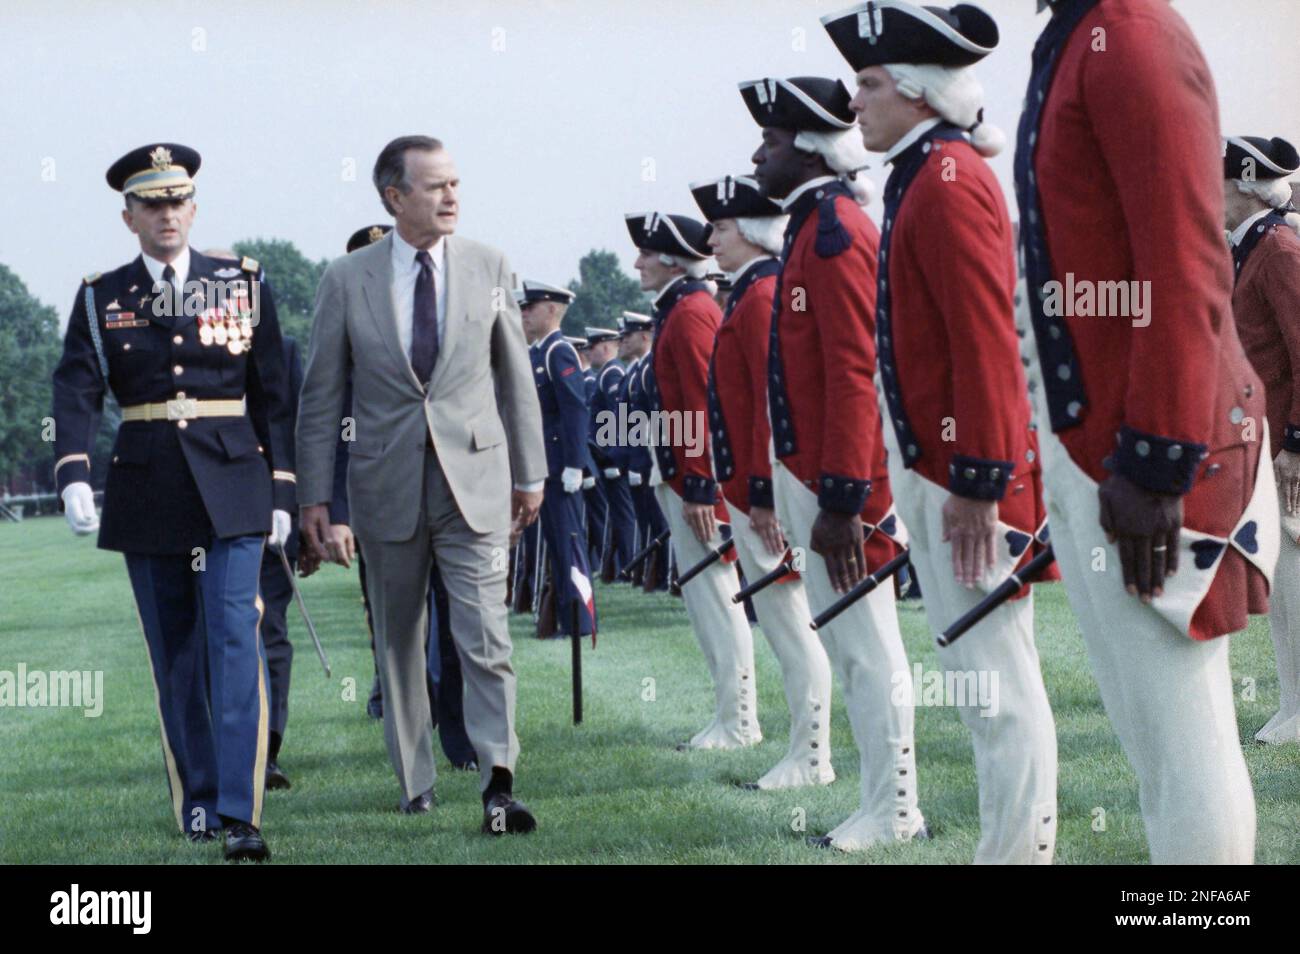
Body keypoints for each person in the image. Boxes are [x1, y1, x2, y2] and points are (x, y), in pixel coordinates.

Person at [1015, 0, 1277, 863]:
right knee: (1154, 742)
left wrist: (1159, 459)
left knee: (1183, 740)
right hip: (1107, 442)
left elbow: (1185, 259)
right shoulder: (1092, 32)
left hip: (1147, 446)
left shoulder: (1131, 34)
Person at [824, 0, 1059, 863]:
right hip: (943, 466)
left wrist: (979, 482)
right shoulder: (927, 174)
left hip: (966, 477)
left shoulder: (950, 181)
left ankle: (1019, 855)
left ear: (919, 93)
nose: (858, 102)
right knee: (979, 682)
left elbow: (985, 342)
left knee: (996, 689)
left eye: (871, 83)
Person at [296, 135, 547, 833]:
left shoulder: (489, 264)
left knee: (484, 633)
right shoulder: (347, 278)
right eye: (435, 187)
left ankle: (499, 779)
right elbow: (321, 397)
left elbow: (514, 377)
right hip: (385, 486)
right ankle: (415, 781)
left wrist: (532, 474)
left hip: (477, 482)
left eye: (456, 184)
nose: (451, 197)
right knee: (399, 640)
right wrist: (316, 499)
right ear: (393, 197)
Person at [51, 143, 295, 862]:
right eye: (151, 204)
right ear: (129, 216)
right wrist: (71, 471)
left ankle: (240, 812)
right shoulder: (104, 295)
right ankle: (195, 801)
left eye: (178, 200)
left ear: (194, 207)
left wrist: (284, 487)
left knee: (232, 636)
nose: (167, 214)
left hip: (233, 484)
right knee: (176, 654)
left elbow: (277, 392)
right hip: (149, 485)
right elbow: (75, 387)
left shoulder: (242, 282)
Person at [742, 75, 923, 850]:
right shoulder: (814, 227)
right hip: (825, 480)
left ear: (810, 147)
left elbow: (858, 372)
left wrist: (845, 498)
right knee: (852, 649)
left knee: (867, 651)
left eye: (772, 141)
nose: (759, 154)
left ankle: (896, 809)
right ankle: (883, 803)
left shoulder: (835, 233)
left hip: (845, 488)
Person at [690, 173, 836, 789]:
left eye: (721, 227)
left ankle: (810, 756)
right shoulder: (752, 294)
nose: (712, 238)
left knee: (790, 625)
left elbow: (768, 411)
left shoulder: (759, 297)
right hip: (751, 493)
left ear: (750, 231)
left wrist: (761, 496)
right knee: (783, 625)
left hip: (760, 496)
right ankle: (804, 752)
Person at [624, 210, 760, 749]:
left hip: (693, 482)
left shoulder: (689, 313)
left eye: (645, 253)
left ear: (672, 258)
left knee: (718, 601)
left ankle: (740, 721)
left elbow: (707, 402)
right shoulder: (678, 311)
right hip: (680, 475)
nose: (637, 262)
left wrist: (702, 483)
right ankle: (729, 715)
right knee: (705, 603)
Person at [1223, 134, 1300, 745]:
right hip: (1267, 440)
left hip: (1289, 444)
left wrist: (1296, 442)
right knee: (1285, 569)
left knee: (1294, 569)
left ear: (1245, 184)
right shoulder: (1253, 247)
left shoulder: (1277, 247)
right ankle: (1292, 703)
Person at [518, 280, 597, 641]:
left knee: (568, 543)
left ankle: (580, 621)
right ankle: (564, 616)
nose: (524, 314)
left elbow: (574, 410)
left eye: (530, 307)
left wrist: (574, 464)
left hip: (559, 467)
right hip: (544, 468)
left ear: (551, 309)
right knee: (556, 543)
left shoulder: (558, 351)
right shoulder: (539, 352)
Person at [617, 312, 670, 589]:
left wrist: (641, 462)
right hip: (639, 461)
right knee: (649, 523)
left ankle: (664, 577)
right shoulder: (636, 371)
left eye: (628, 336)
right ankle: (656, 575)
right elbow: (625, 421)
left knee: (660, 524)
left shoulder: (649, 368)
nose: (622, 342)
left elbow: (651, 418)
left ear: (645, 336)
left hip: (651, 461)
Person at [587, 326, 637, 580]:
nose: (589, 352)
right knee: (616, 514)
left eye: (593, 347)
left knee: (623, 514)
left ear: (606, 347)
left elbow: (617, 416)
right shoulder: (607, 373)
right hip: (606, 456)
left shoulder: (612, 373)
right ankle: (621, 566)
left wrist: (614, 453)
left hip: (613, 457)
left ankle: (629, 566)